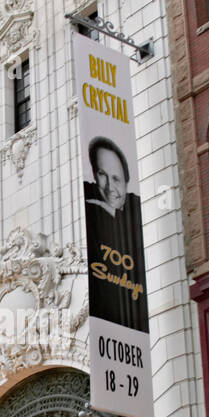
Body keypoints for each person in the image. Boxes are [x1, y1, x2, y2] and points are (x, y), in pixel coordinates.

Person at [83, 136, 148, 331]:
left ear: (127, 181)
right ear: (95, 175)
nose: (110, 188)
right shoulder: (87, 194)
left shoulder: (140, 205)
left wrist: (110, 212)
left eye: (117, 179)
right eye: (102, 175)